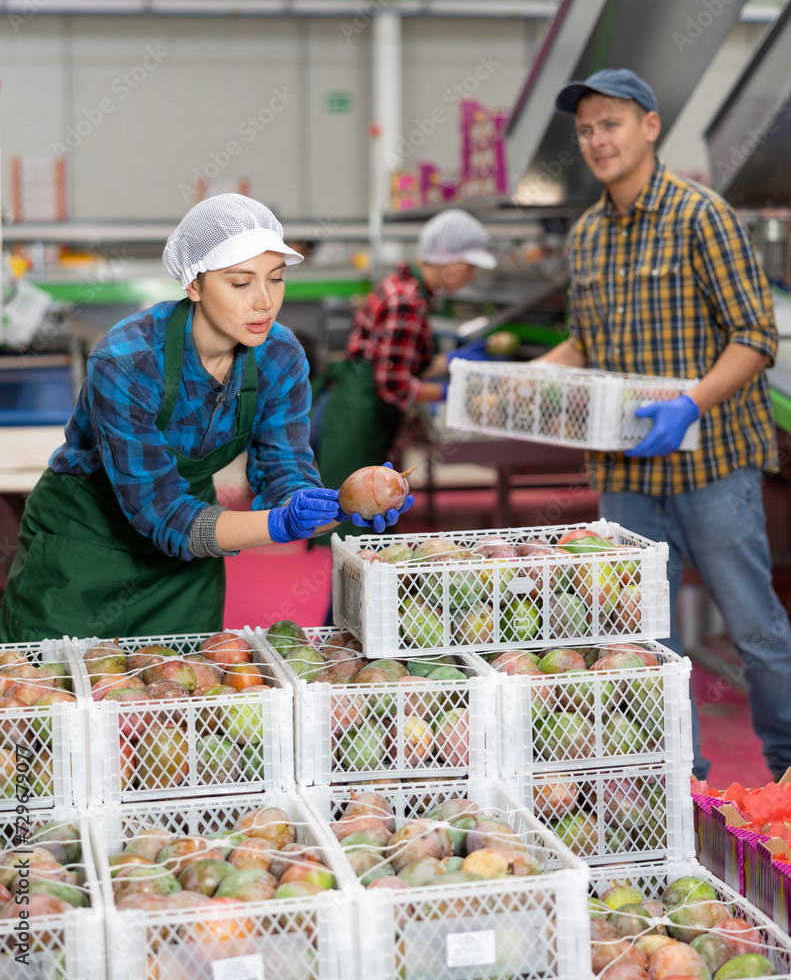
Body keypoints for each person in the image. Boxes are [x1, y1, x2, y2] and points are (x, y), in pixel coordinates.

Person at [0, 194, 411, 643]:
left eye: (275, 279)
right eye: (240, 283)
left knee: (186, 697)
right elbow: (164, 514)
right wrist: (278, 525)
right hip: (82, 549)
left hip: (184, 569)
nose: (264, 302)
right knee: (51, 697)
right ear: (193, 285)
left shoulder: (279, 354)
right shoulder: (126, 363)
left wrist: (331, 506)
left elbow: (285, 467)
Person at [541, 68, 791, 781]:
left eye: (609, 123)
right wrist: (519, 382)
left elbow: (754, 334)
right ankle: (679, 780)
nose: (596, 140)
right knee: (647, 640)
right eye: (585, 129)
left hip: (710, 467)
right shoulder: (586, 235)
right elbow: (583, 343)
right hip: (624, 475)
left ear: (649, 126)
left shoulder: (699, 215)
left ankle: (787, 767)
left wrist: (690, 402)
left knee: (754, 628)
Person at [312, 208, 498, 543]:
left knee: (364, 522)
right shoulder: (407, 301)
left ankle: (347, 595)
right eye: (469, 267)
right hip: (358, 417)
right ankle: (345, 598)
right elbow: (394, 384)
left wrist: (452, 363)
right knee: (359, 527)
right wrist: (449, 394)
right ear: (451, 261)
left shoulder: (405, 288)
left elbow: (405, 361)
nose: (469, 277)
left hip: (359, 410)